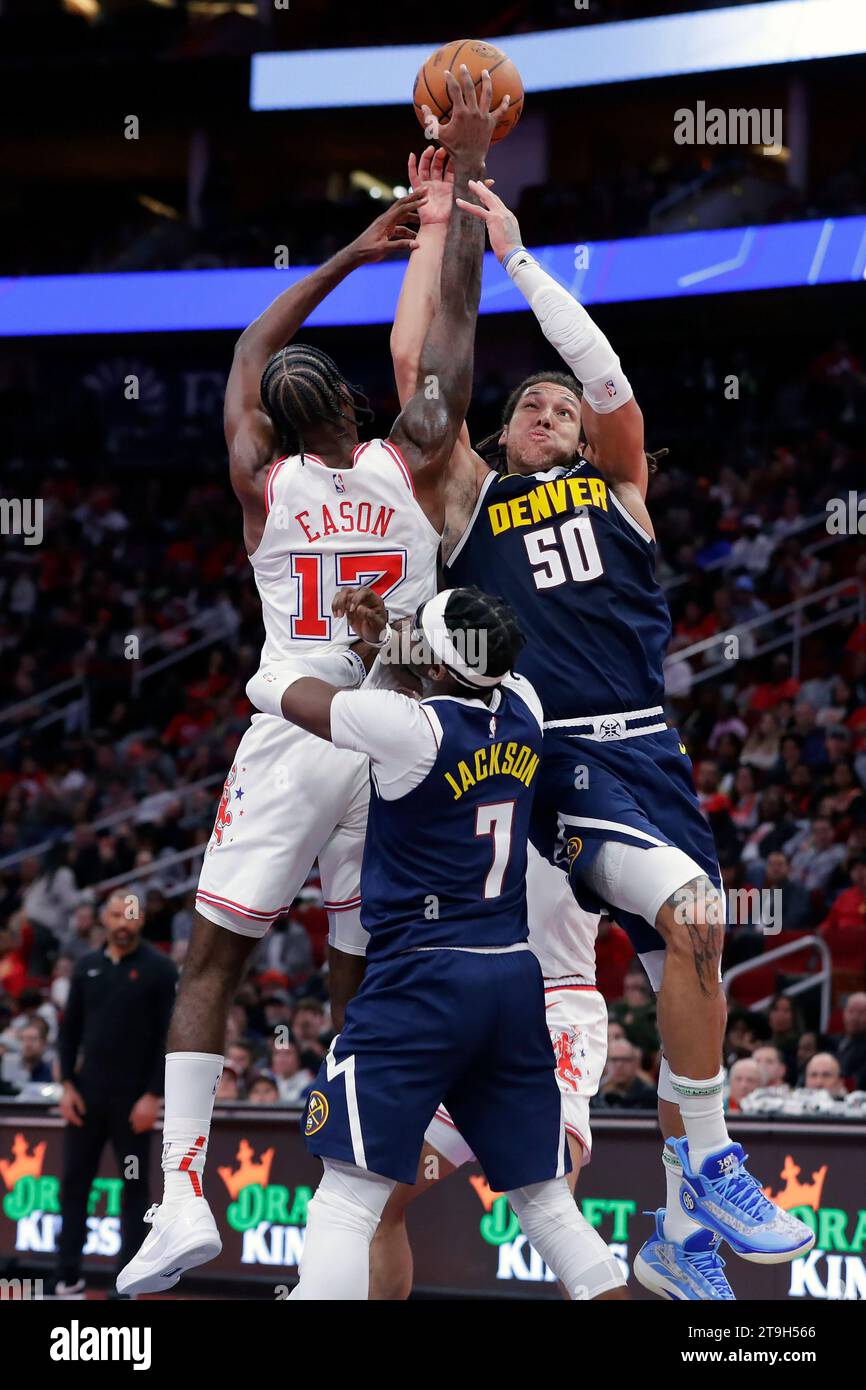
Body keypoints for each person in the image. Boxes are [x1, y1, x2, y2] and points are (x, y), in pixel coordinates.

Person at [387, 152, 813, 1298]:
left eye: (559, 406)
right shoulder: (476, 501)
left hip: (652, 748)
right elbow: (420, 370)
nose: (546, 408)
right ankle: (715, 1159)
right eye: (528, 402)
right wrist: (444, 234)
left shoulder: (619, 484)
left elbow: (607, 375)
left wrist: (524, 260)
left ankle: (678, 1238)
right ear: (507, 432)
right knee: (687, 915)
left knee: (700, 939)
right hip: (556, 749)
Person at [117, 68, 511, 1296]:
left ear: (275, 433)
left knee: (212, 963)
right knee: (357, 967)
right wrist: (448, 214)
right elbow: (446, 351)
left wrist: (351, 245)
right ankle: (342, 1177)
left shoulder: (264, 490)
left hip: (293, 730)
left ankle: (181, 1197)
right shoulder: (412, 464)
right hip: (394, 736)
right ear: (352, 409)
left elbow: (249, 344)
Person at [275, 583, 624, 1301]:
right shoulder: (525, 702)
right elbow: (448, 666)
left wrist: (341, 649)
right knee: (548, 1205)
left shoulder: (409, 728)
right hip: (510, 979)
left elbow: (269, 684)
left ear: (435, 665)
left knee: (348, 1198)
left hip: (422, 980)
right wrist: (396, 639)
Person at [52, 893, 177, 1299]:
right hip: (85, 1098)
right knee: (74, 1186)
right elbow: (68, 1032)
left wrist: (153, 1095)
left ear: (140, 921)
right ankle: (67, 1276)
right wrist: (66, 1087)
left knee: (133, 1189)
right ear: (103, 920)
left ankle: (127, 1282)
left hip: (132, 1102)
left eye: (130, 915)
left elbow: (167, 1037)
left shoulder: (159, 969)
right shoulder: (87, 966)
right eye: (115, 914)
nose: (123, 922)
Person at [592, 1041, 656, 1110]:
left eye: (625, 1060)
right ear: (606, 1064)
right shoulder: (595, 1097)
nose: (619, 1065)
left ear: (636, 1063)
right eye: (614, 1060)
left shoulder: (650, 1097)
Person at [832, 993, 866, 1090]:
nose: (855, 1017)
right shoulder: (835, 1040)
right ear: (844, 1013)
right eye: (851, 1011)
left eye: (861, 1013)